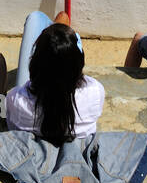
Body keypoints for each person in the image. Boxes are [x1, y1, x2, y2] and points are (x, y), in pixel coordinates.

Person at [7, 12, 105, 144]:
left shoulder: (16, 99)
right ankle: (64, 35)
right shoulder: (95, 91)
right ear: (79, 64)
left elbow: (12, 127)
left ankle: (58, 33)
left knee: (35, 17)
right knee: (68, 35)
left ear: (34, 62)